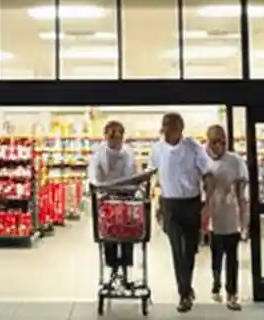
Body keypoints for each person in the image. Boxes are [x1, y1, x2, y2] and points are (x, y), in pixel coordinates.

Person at [150, 112, 213, 313]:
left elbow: (208, 175)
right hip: (169, 205)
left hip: (192, 204)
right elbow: (152, 175)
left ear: (181, 128)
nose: (169, 129)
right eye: (166, 125)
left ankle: (187, 286)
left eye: (174, 125)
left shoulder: (193, 148)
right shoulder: (157, 150)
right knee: (177, 249)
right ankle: (184, 294)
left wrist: (208, 205)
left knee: (190, 250)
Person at [204, 124, 248, 311]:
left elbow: (242, 194)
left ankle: (232, 292)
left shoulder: (236, 161)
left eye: (223, 140)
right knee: (216, 255)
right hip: (213, 214)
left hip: (231, 214)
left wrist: (244, 222)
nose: (220, 145)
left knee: (232, 257)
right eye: (215, 141)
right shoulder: (203, 161)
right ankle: (216, 283)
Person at [90, 120, 138, 285]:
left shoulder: (128, 153)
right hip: (107, 200)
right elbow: (94, 175)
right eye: (112, 136)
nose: (115, 140)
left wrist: (132, 186)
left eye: (118, 136)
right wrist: (99, 187)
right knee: (109, 237)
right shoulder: (99, 154)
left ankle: (125, 269)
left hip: (126, 199)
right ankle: (113, 268)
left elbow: (133, 174)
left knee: (127, 236)